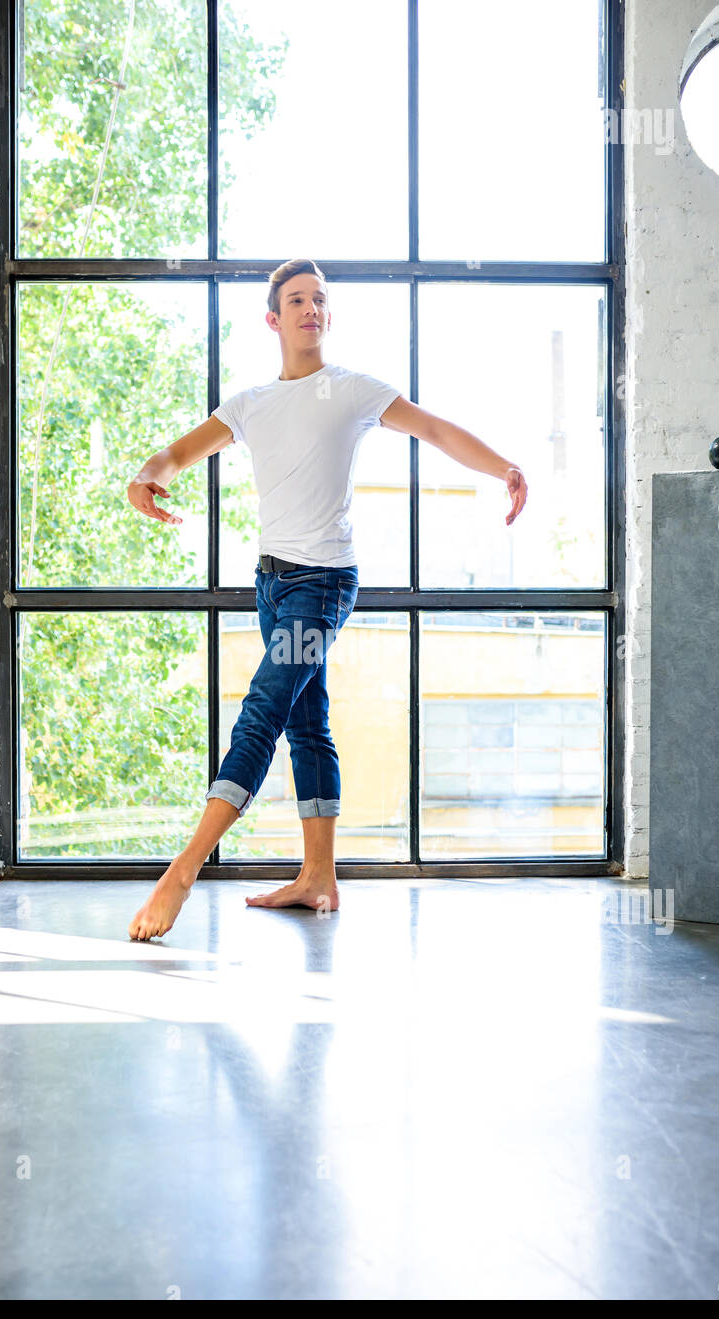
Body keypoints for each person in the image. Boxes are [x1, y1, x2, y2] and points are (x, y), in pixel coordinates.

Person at [126, 257, 528, 940]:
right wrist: (145, 477)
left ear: (327, 315)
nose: (311, 309)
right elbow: (177, 454)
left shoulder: (350, 390)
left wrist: (504, 467)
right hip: (272, 583)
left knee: (260, 714)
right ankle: (318, 878)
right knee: (305, 720)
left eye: (319, 299)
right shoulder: (250, 404)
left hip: (321, 586)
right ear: (273, 318)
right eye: (297, 300)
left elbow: (433, 429)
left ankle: (183, 871)